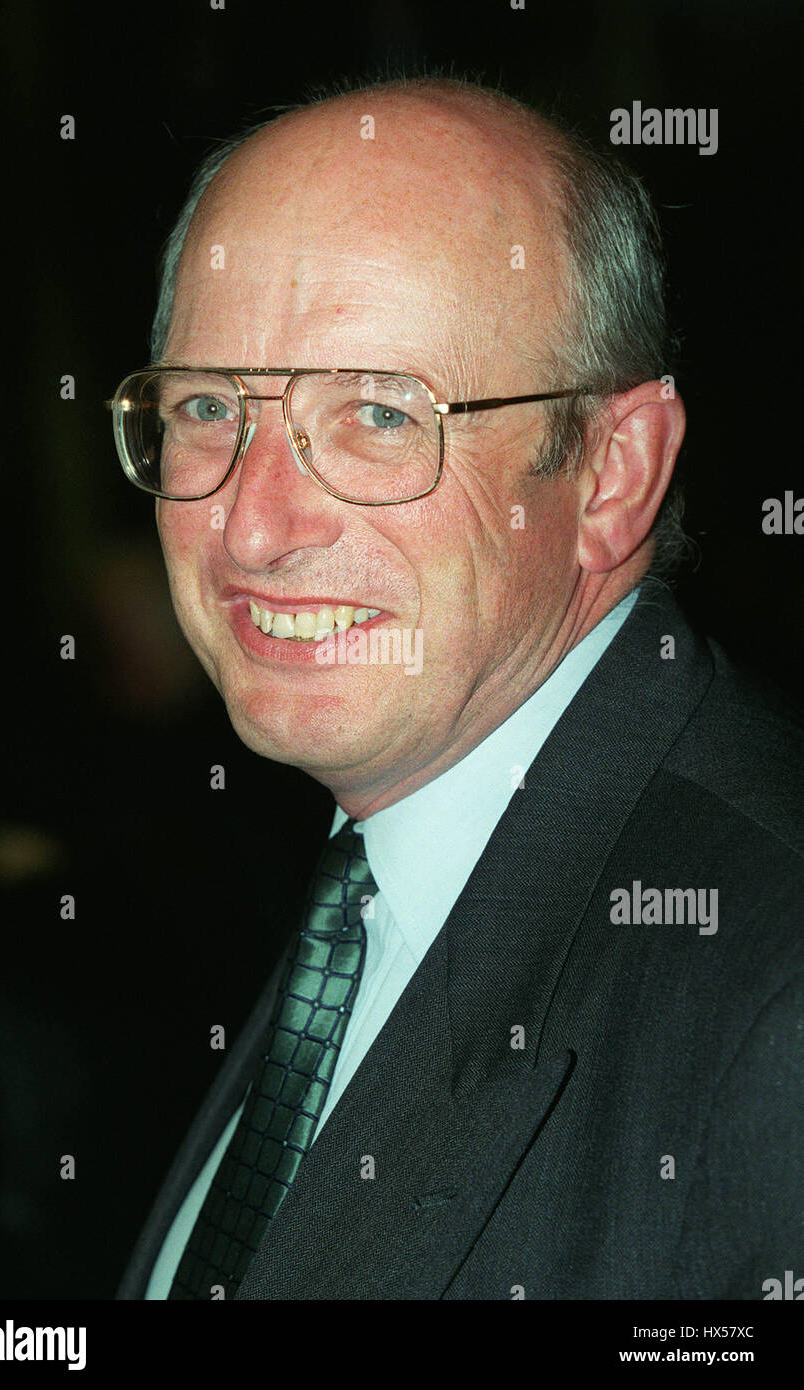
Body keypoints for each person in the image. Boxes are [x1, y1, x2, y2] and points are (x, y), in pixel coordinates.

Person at [113, 76, 803, 1300]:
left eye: (378, 412)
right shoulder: (361, 882)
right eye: (211, 406)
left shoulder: (768, 997)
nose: (252, 525)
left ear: (610, 472)